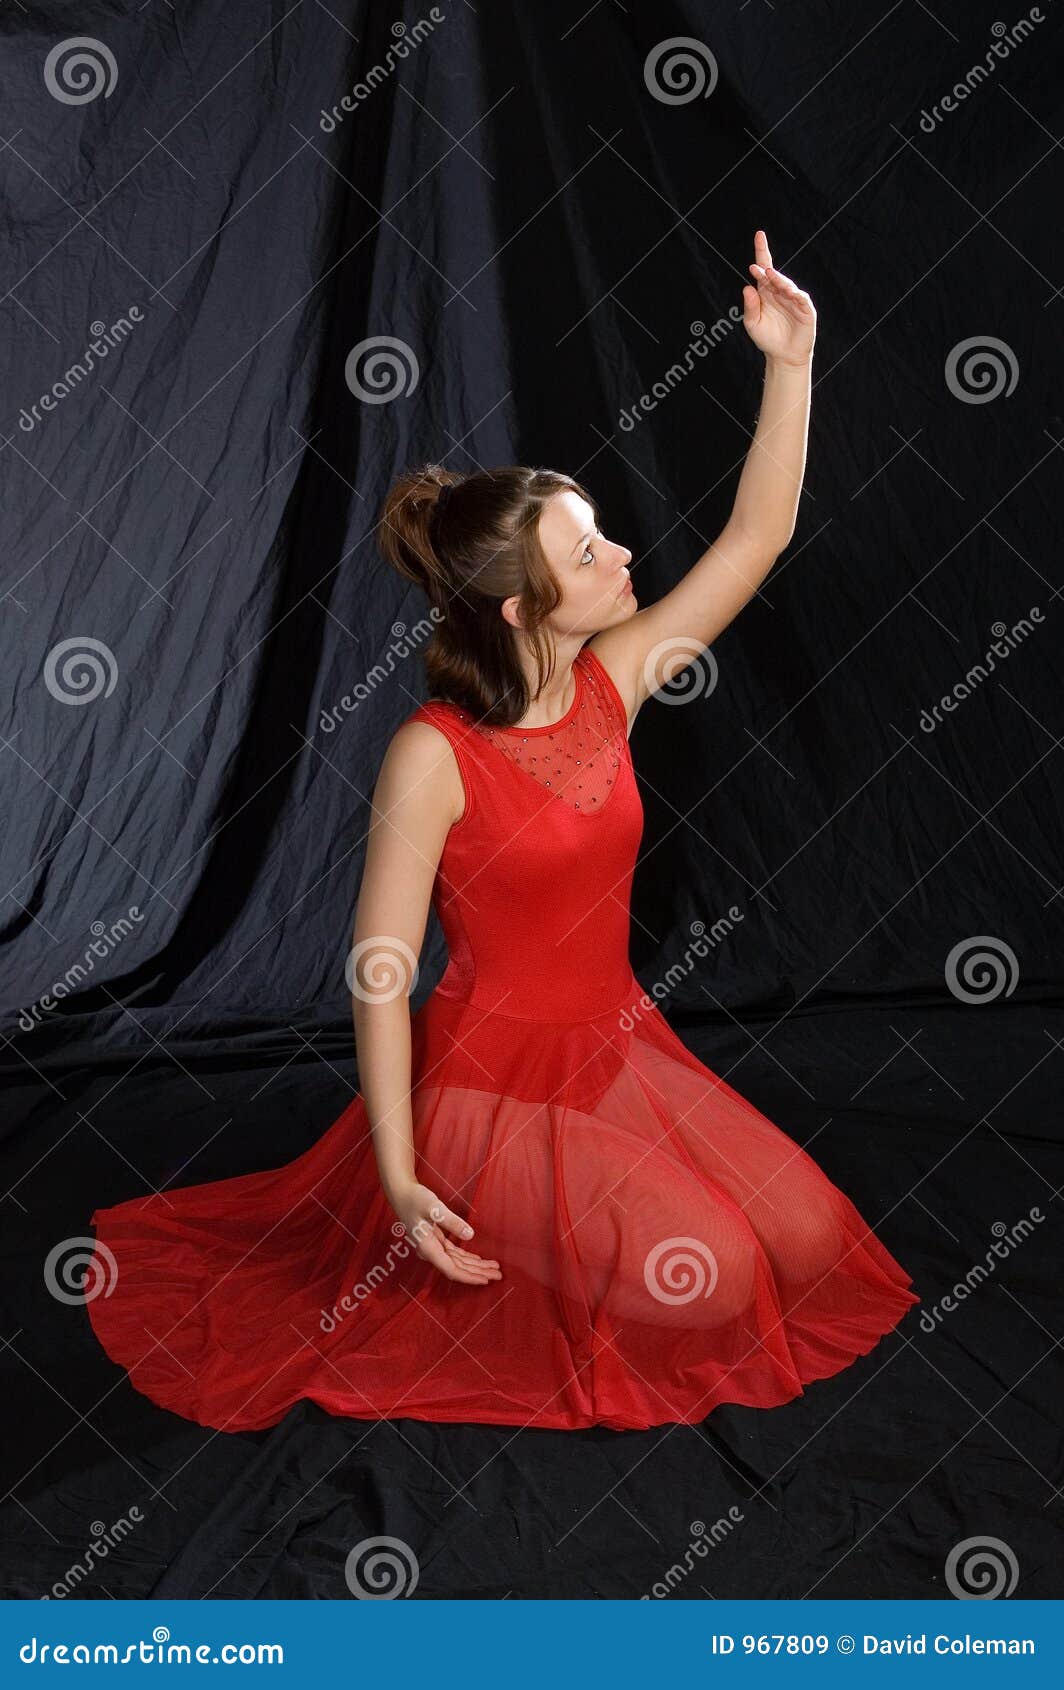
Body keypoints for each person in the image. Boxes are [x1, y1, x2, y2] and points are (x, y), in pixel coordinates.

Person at [87, 231, 918, 1432]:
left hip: (615, 1048)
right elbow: (378, 973)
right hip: (486, 1089)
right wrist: (394, 1170)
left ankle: (586, 1214)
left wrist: (790, 360)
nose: (625, 552)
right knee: (719, 1278)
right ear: (524, 607)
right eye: (591, 553)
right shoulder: (434, 754)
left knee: (800, 1238)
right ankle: (533, 1224)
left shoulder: (614, 678)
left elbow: (754, 540)